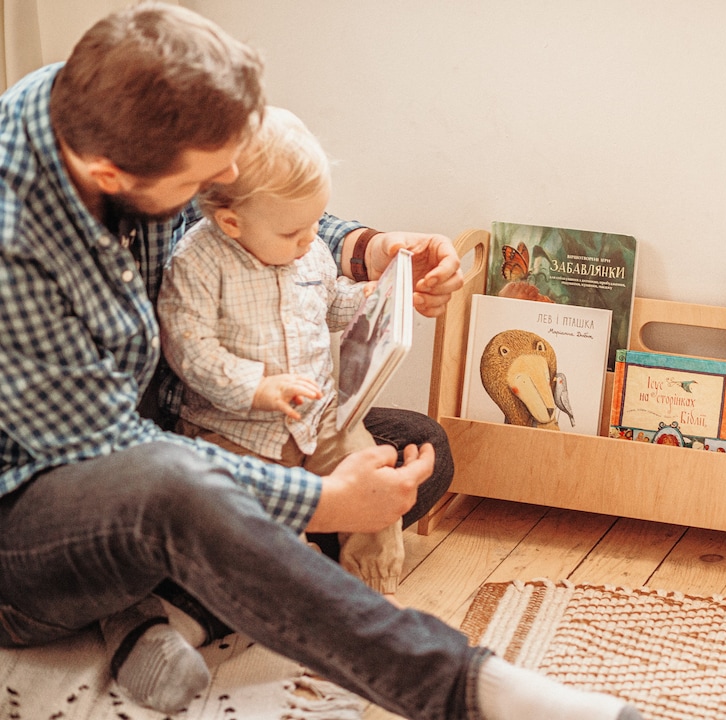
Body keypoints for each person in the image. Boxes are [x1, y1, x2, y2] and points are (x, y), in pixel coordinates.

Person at [0, 4, 643, 720]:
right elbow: (109, 454)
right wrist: (325, 502)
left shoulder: (96, 101)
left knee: (415, 452)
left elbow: (250, 208)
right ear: (110, 174)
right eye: (203, 184)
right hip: (35, 523)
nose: (229, 182)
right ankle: (468, 691)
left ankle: (181, 611)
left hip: (179, 429)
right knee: (180, 487)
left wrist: (372, 251)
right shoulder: (14, 247)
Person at [158, 105, 405, 604]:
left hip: (317, 420)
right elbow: (190, 349)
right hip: (236, 432)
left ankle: (370, 587)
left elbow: (332, 302)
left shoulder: (307, 248)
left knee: (377, 467)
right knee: (252, 521)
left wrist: (374, 299)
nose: (310, 240)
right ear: (231, 222)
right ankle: (289, 588)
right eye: (293, 232)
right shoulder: (197, 262)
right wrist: (255, 387)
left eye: (315, 223)